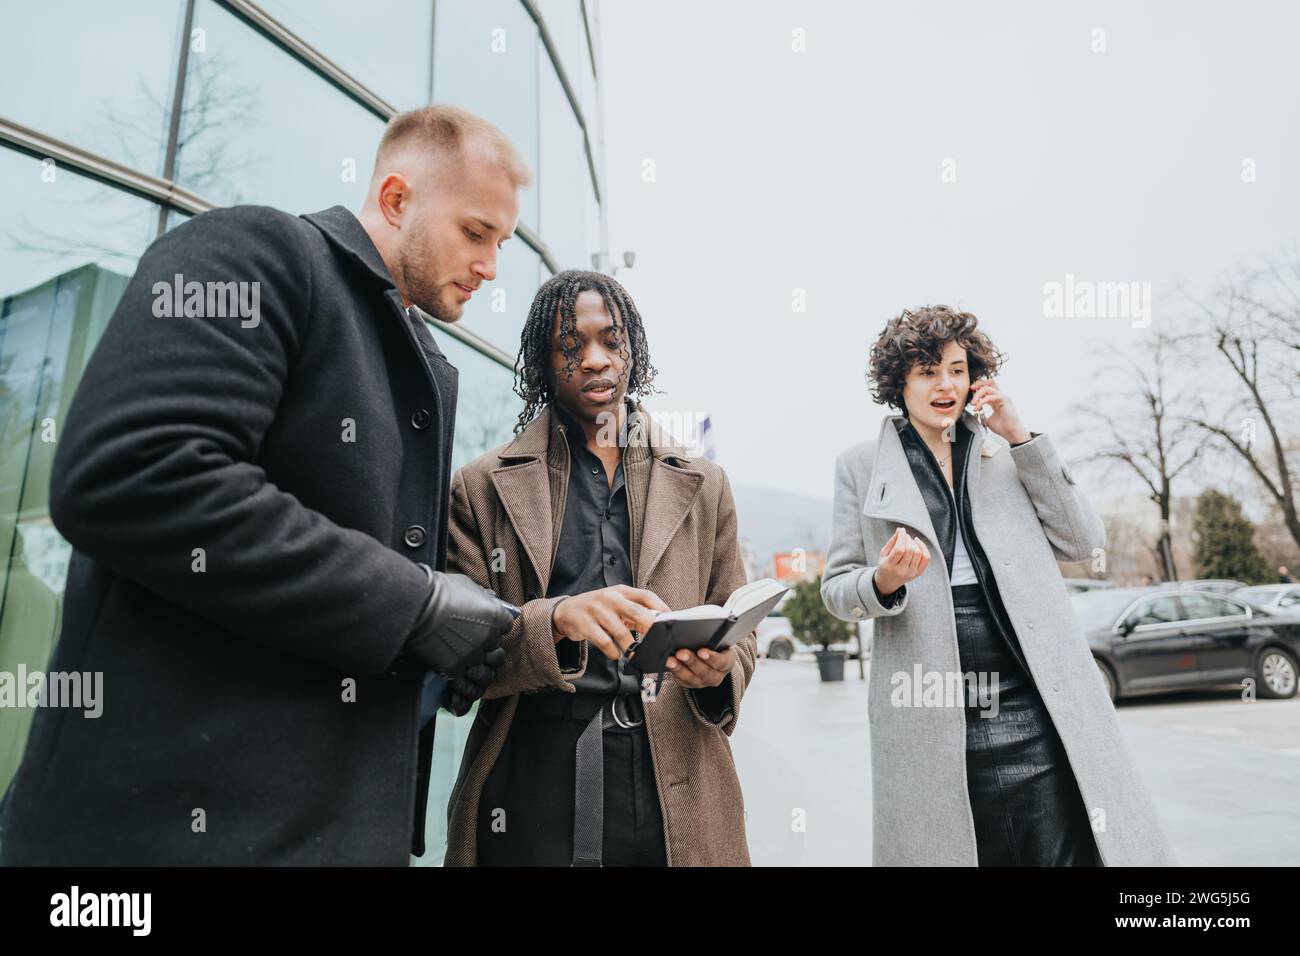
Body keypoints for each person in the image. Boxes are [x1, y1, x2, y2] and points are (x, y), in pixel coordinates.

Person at [0, 105, 527, 865]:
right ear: (395, 199)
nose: (491, 267)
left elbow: (343, 600)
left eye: (502, 243)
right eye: (476, 232)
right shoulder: (259, 250)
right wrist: (414, 606)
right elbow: (137, 470)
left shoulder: (420, 364)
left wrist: (434, 651)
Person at [822, 305, 1175, 866]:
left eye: (957, 370)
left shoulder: (1008, 449)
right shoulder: (860, 467)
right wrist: (884, 580)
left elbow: (1084, 543)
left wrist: (1021, 437)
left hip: (1034, 692)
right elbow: (837, 590)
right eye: (927, 371)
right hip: (929, 701)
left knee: (1065, 847)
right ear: (899, 384)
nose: (946, 385)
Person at [442, 271, 756, 866]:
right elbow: (459, 652)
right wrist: (557, 620)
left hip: (680, 778)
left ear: (633, 349)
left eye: (611, 341)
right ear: (543, 360)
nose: (594, 359)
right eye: (570, 345)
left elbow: (738, 626)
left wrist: (719, 670)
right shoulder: (479, 488)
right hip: (532, 780)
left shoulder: (705, 483)